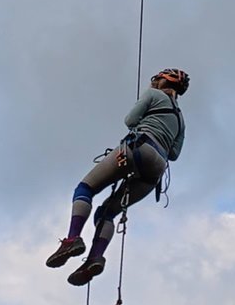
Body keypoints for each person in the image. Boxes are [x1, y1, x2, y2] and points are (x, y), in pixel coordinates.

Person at [47, 68, 189, 286]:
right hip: (157, 167)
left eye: (156, 80)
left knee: (85, 189)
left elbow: (130, 120)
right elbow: (175, 154)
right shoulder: (181, 120)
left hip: (139, 146)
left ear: (162, 81)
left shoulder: (153, 95)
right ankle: (95, 257)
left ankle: (72, 238)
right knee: (107, 213)